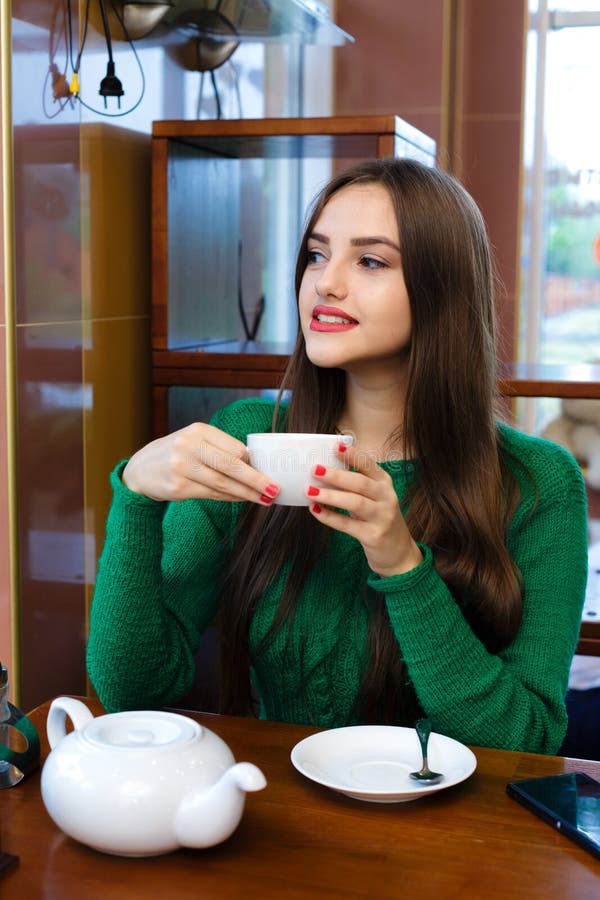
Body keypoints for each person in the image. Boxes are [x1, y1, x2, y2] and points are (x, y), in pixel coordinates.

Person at [87, 157, 589, 754]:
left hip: (450, 837)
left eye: (370, 260)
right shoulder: (251, 442)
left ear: (443, 289)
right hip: (275, 813)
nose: (326, 282)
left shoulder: (537, 482)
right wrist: (136, 497)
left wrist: (402, 563)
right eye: (317, 255)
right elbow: (129, 691)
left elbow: (528, 743)